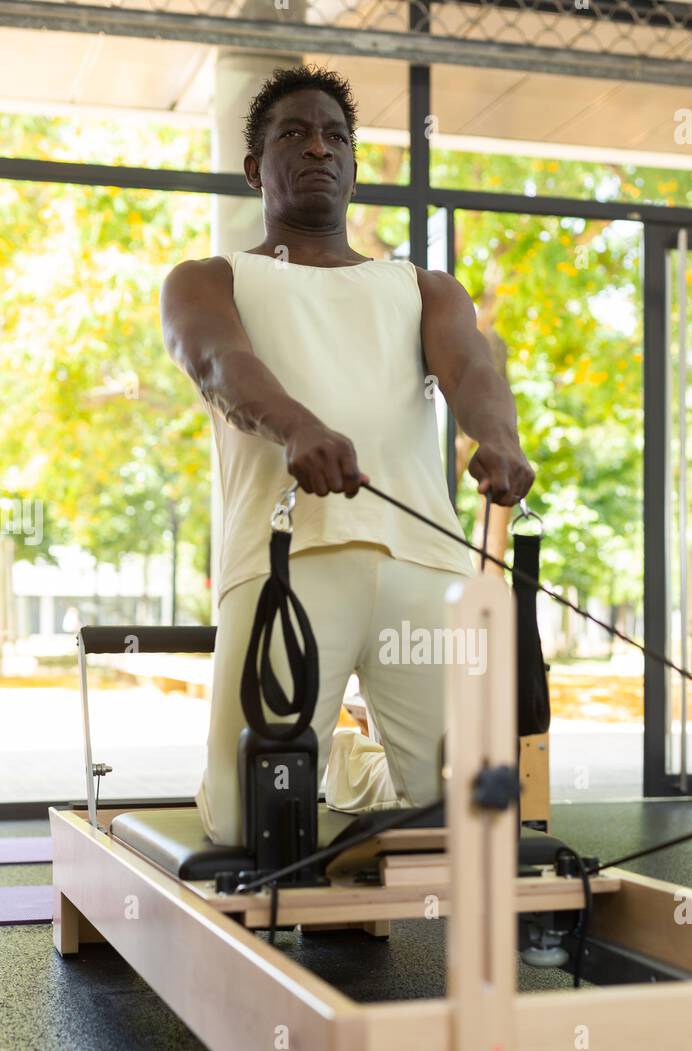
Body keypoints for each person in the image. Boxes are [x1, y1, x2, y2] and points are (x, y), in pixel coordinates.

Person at [160, 63, 533, 845]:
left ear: (356, 171)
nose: (319, 149)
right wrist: (297, 426)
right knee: (244, 826)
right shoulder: (210, 278)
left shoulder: (422, 286)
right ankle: (337, 756)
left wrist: (497, 439)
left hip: (422, 560)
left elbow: (470, 369)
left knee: (474, 808)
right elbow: (220, 365)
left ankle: (350, 763)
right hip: (287, 562)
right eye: (292, 133)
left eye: (335, 136)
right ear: (254, 168)